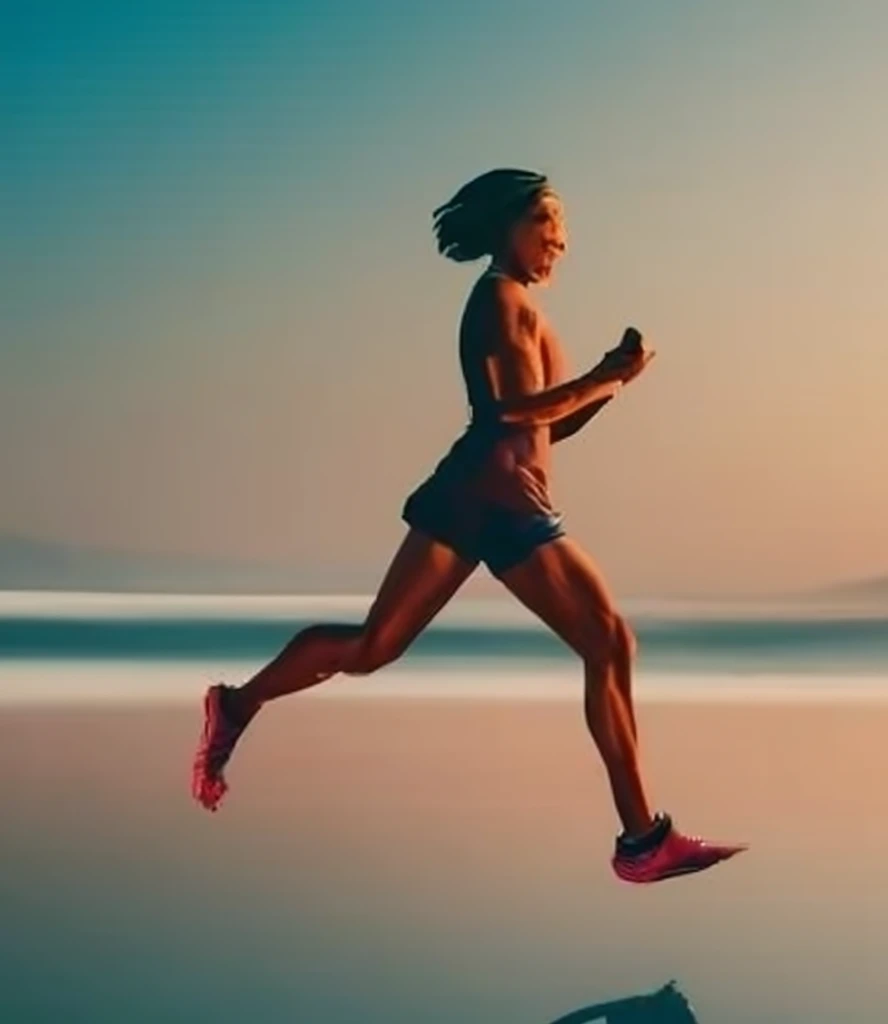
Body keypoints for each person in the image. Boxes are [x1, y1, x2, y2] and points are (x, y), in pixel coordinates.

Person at [191, 167, 746, 883]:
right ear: (508, 225)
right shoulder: (495, 301)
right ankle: (642, 841)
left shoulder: (524, 310)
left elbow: (557, 420)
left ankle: (235, 704)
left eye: (564, 228)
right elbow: (507, 414)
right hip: (500, 499)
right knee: (608, 642)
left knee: (372, 647)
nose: (561, 240)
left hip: (482, 496)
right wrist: (603, 378)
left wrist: (616, 375)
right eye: (548, 221)